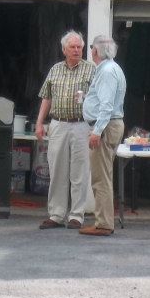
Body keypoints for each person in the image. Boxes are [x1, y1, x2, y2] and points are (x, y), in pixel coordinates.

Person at [34, 31, 95, 230]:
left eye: (80, 47)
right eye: (73, 47)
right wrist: (39, 122)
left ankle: (76, 215)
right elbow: (46, 97)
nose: (77, 50)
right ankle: (57, 214)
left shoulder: (90, 70)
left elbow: (98, 99)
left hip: (81, 124)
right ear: (64, 50)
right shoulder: (55, 69)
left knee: (79, 171)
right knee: (57, 169)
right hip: (58, 124)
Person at [79, 34, 127, 237]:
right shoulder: (112, 69)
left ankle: (104, 223)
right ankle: (104, 221)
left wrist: (96, 132)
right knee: (104, 175)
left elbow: (106, 106)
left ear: (96, 50)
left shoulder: (106, 71)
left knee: (101, 178)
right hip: (111, 126)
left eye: (91, 47)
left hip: (106, 127)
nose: (90, 51)